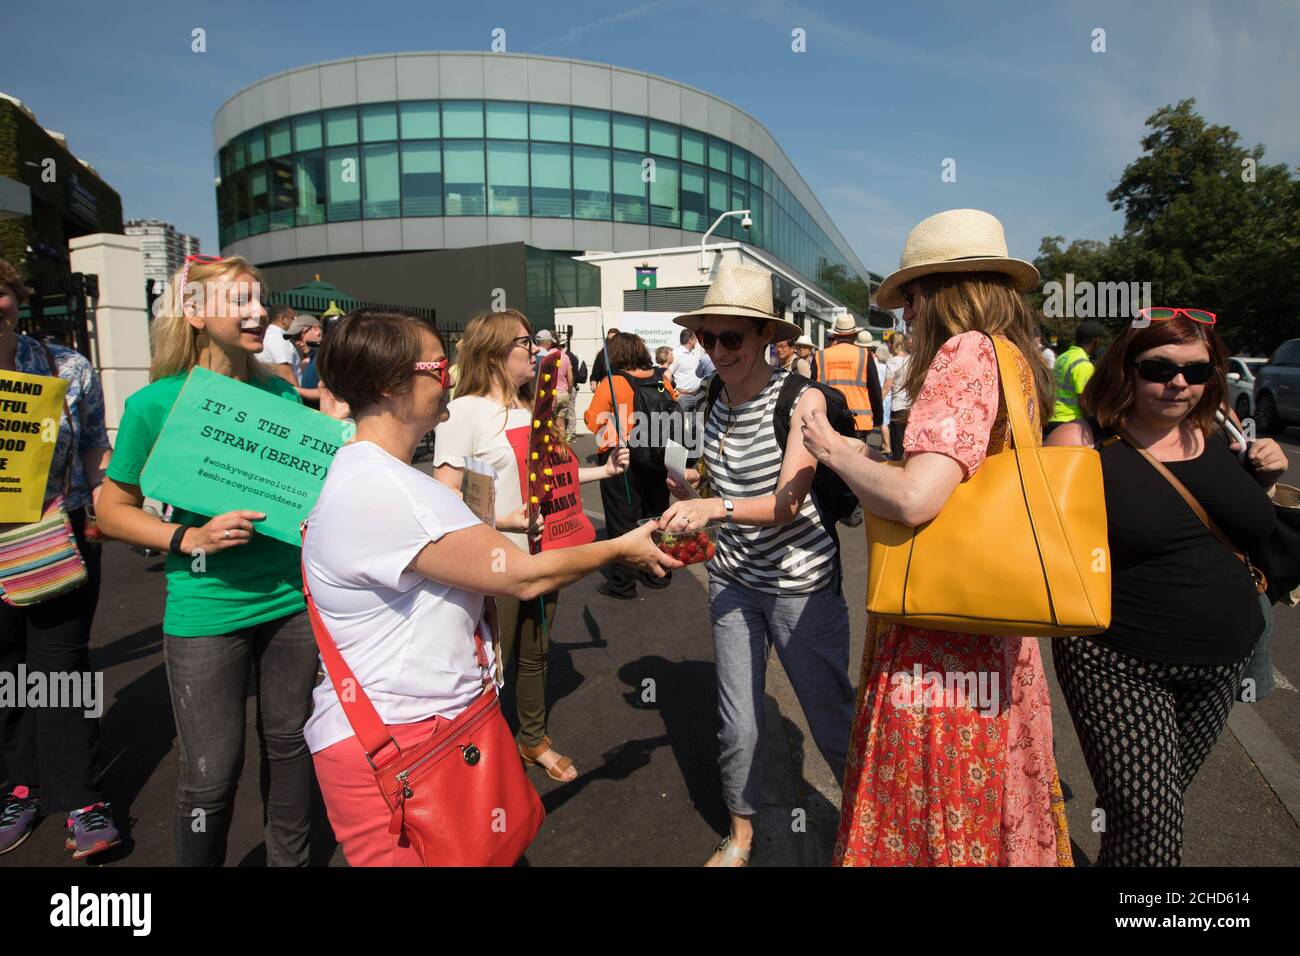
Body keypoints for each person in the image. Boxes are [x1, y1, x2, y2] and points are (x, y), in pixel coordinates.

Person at [305, 308, 675, 866]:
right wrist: (624, 545)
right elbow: (522, 576)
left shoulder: (375, 476)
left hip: (418, 735)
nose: (449, 375)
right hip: (404, 746)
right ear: (388, 385)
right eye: (436, 365)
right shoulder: (391, 491)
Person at [801, 208, 1073, 866]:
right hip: (999, 624)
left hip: (945, 638)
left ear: (939, 294)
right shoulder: (1016, 358)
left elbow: (919, 498)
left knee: (932, 806)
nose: (907, 317)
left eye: (912, 299)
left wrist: (834, 451)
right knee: (998, 801)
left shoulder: (964, 351)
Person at [95, 255, 318, 866]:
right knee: (212, 773)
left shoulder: (280, 392)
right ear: (193, 313)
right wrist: (186, 541)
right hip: (205, 610)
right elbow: (112, 510)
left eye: (259, 300)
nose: (255, 312)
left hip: (290, 603)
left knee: (292, 745)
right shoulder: (154, 405)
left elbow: (302, 489)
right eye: (236, 301)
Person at [1047, 311, 1288, 866]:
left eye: (1197, 371)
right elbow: (1038, 545)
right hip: (1119, 662)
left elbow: (1249, 525)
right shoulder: (1081, 442)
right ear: (1125, 371)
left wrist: (1267, 479)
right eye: (1158, 368)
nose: (1179, 383)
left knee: (1152, 813)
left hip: (1224, 665)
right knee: (1152, 832)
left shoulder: (1221, 433)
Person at [658, 264, 854, 867]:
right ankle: (741, 836)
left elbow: (786, 503)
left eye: (732, 339)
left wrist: (708, 504)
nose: (718, 351)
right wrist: (689, 480)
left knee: (831, 721)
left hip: (801, 588)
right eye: (708, 339)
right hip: (734, 580)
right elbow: (719, 474)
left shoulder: (803, 399)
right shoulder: (715, 395)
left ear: (767, 337)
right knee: (738, 723)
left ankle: (872, 826)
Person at [434, 310, 632, 783]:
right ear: (497, 351)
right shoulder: (463, 412)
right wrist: (502, 518)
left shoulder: (532, 409)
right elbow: (443, 495)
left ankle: (532, 738)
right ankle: (480, 753)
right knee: (484, 662)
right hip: (492, 559)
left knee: (536, 651)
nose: (537, 350)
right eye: (526, 342)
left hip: (544, 553)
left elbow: (555, 478)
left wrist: (602, 472)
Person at [0, 258, 118, 859]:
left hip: (52, 534)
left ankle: (81, 797)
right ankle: (21, 786)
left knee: (61, 667)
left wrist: (108, 508)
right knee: (7, 667)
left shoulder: (65, 367)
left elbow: (96, 446)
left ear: (14, 299)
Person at [584, 332, 677, 601]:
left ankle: (623, 584)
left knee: (622, 519)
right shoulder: (660, 380)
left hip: (621, 456)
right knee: (656, 514)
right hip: (657, 455)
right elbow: (670, 406)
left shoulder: (613, 382)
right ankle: (658, 573)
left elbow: (594, 421)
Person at [1047, 318, 1105, 434]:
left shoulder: (1062, 357)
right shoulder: (1083, 364)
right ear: (1096, 341)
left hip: (1052, 418)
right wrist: (1095, 426)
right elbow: (1084, 401)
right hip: (1070, 421)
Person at [533, 329, 575, 443]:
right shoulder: (564, 357)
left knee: (547, 426)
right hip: (563, 393)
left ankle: (551, 451)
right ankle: (562, 450)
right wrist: (569, 391)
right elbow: (570, 378)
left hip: (546, 395)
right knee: (561, 424)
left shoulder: (536, 356)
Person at [667, 328, 715, 414]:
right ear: (690, 340)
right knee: (681, 425)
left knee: (694, 425)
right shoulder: (676, 354)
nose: (697, 342)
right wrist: (673, 392)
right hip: (682, 397)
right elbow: (667, 374)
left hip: (696, 396)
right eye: (696, 339)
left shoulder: (694, 354)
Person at [256, 302, 300, 387]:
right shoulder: (278, 338)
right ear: (283, 319)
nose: (296, 322)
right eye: (294, 318)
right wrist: (297, 398)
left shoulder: (267, 335)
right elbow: (285, 372)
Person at [884, 332, 912, 461]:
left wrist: (877, 406)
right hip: (911, 407)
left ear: (892, 344)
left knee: (897, 447)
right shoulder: (912, 359)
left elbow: (886, 388)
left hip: (897, 407)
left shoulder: (892, 362)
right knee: (909, 445)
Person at [288, 314, 322, 406]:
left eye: (299, 336)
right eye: (293, 340)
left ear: (316, 329)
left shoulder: (326, 356)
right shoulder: (311, 359)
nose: (297, 343)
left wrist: (292, 389)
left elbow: (327, 393)